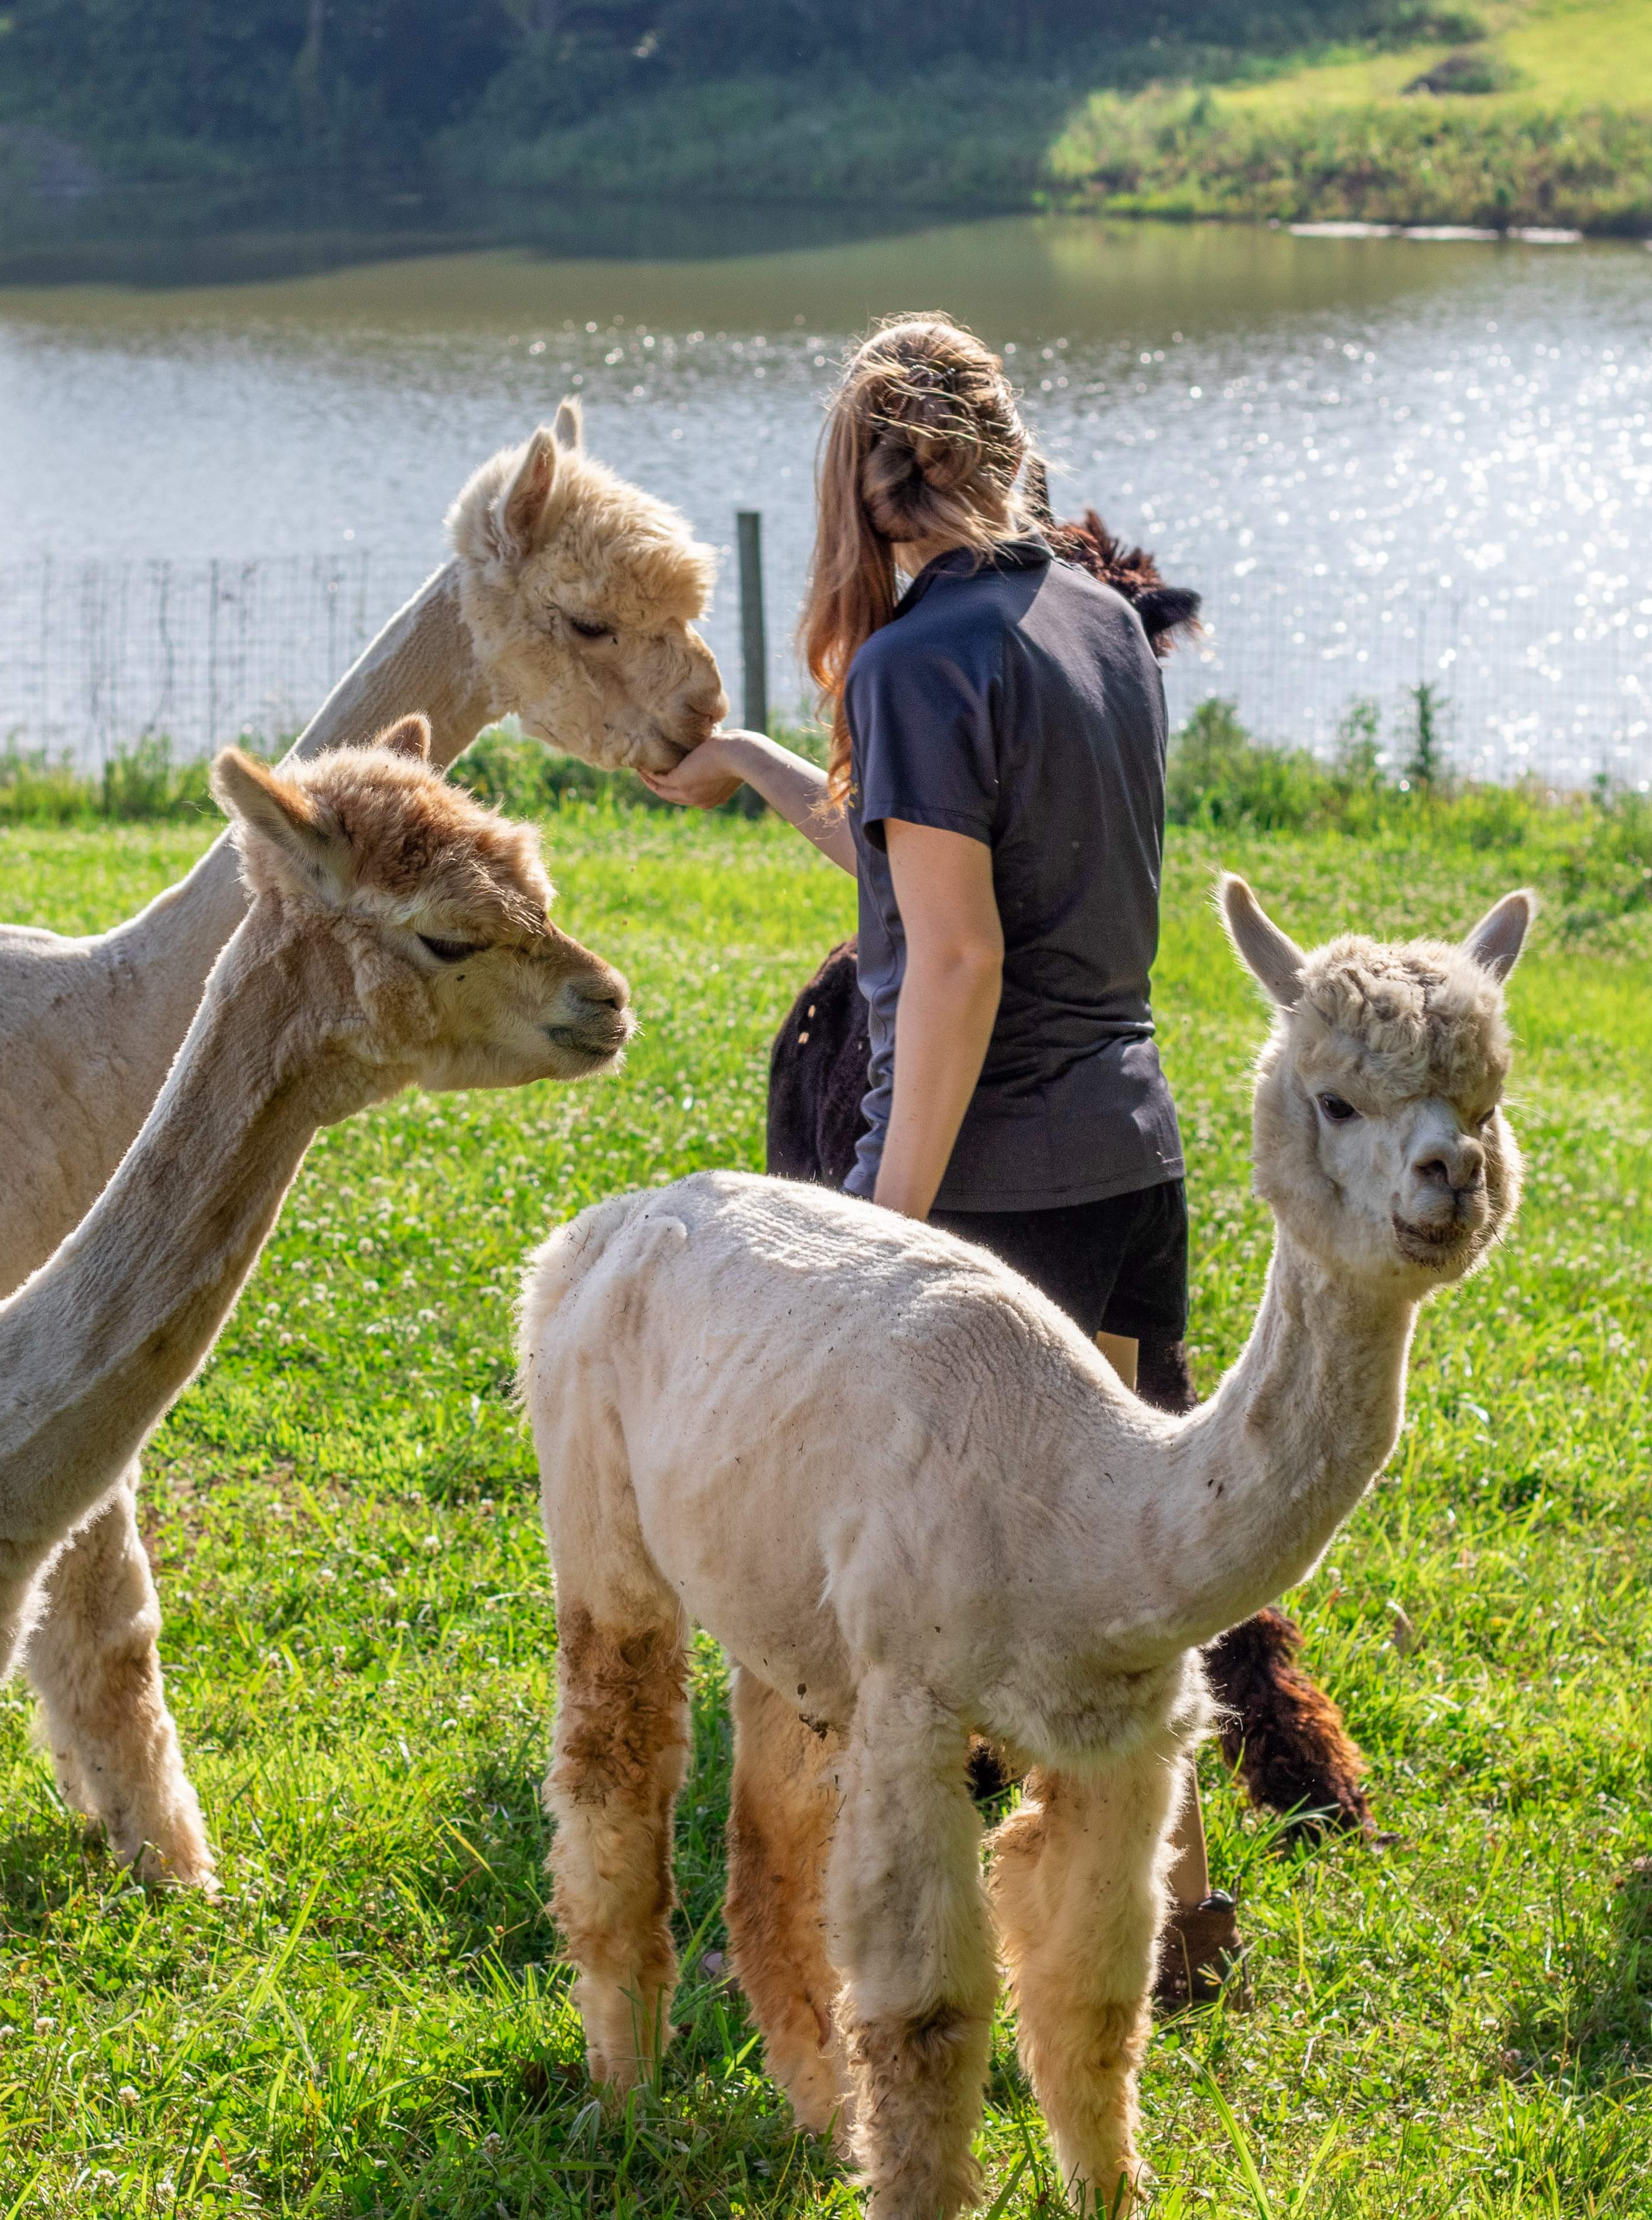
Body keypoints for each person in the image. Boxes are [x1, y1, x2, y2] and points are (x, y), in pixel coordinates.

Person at [642, 312, 1237, 1994]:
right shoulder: (1097, 622)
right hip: (1128, 1164)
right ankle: (1178, 1924)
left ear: (858, 485)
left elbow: (957, 955)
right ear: (1001, 451)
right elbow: (932, 861)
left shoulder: (915, 660)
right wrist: (765, 764)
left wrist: (885, 1233)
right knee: (1126, 1576)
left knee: (901, 1602)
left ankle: (873, 1948)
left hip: (989, 1193)